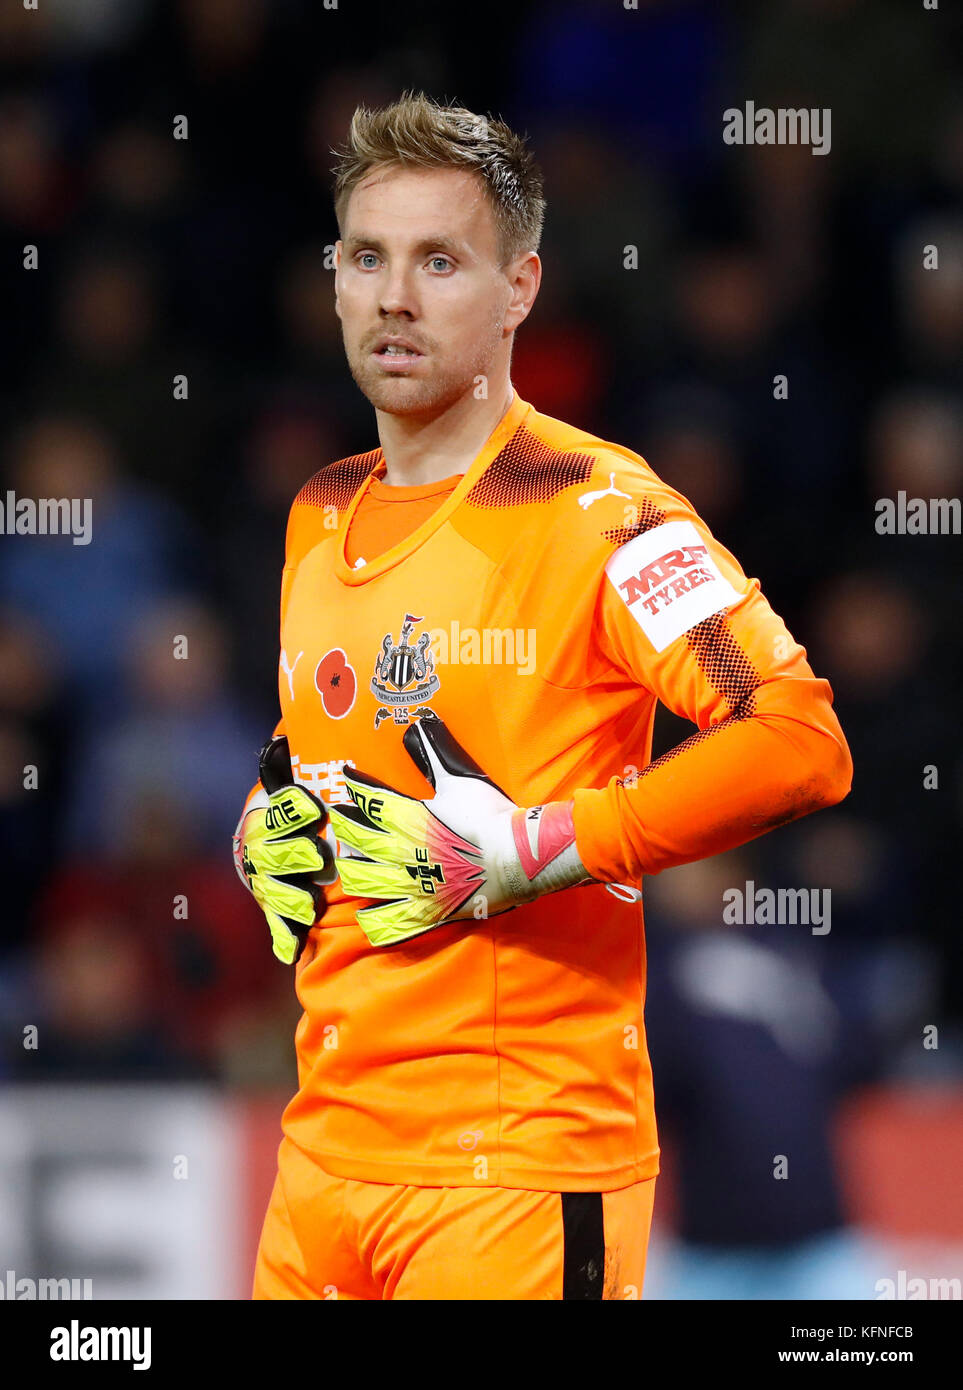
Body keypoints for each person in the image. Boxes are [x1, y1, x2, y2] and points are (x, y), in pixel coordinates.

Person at [234, 92, 852, 1301]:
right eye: (368, 257)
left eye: (440, 261)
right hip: (322, 1161)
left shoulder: (600, 511)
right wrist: (268, 830)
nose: (393, 298)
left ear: (519, 288)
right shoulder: (321, 509)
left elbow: (799, 737)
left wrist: (538, 847)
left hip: (513, 1175)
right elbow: (320, 742)